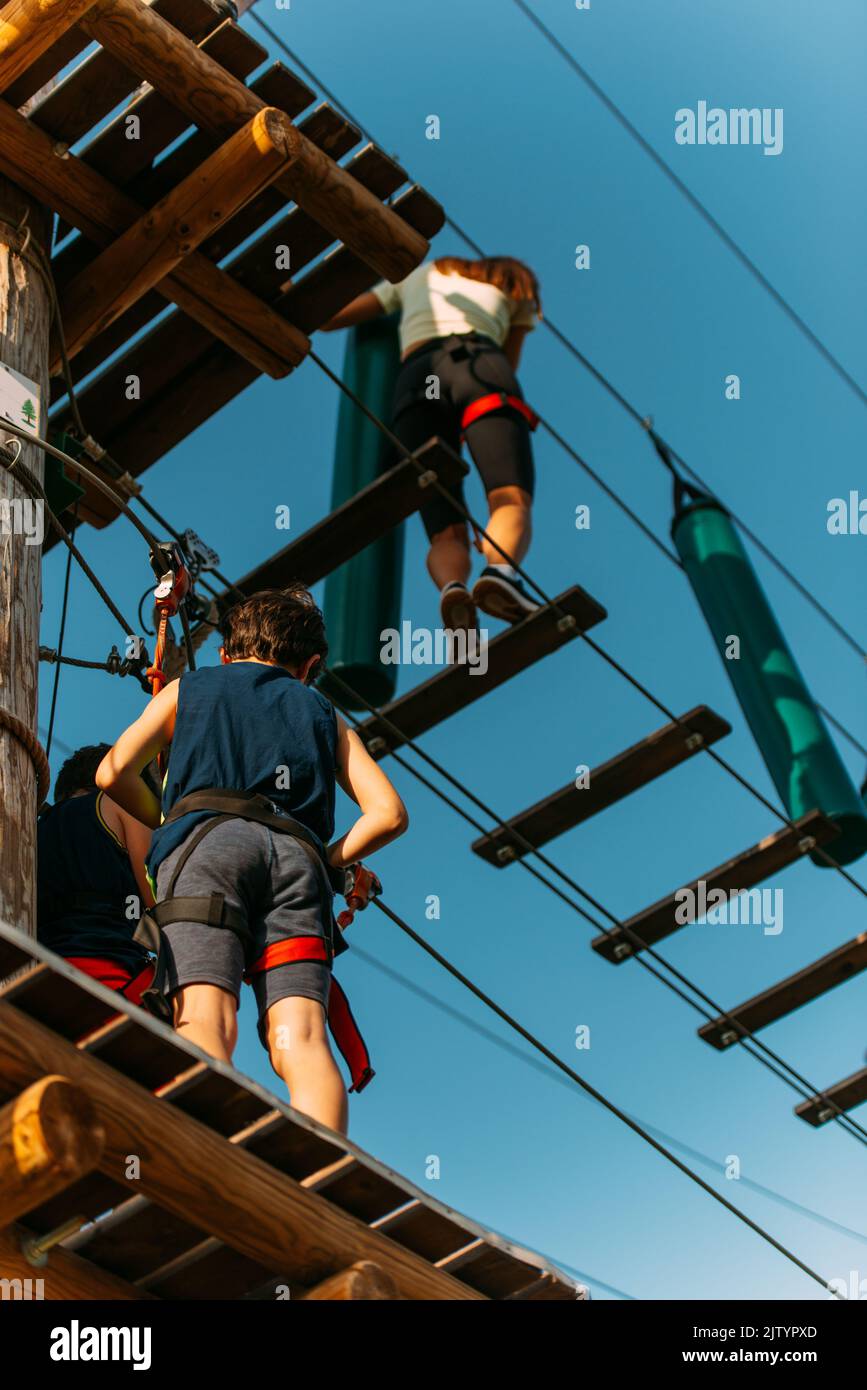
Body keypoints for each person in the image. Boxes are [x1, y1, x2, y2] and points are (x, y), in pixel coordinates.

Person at [96, 585, 408, 1135]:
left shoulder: (190, 688)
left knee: (205, 1012)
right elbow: (388, 814)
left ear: (225, 652)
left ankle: (201, 1150)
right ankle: (321, 1174)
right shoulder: (324, 713)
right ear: (309, 665)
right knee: (303, 1036)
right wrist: (328, 859)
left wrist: (169, 821)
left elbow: (112, 772)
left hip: (206, 844)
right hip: (298, 862)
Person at [322, 255, 542, 634]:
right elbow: (509, 360)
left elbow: (330, 319)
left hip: (415, 384)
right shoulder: (513, 289)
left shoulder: (419, 277)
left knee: (445, 531)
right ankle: (501, 573)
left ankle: (452, 588)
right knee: (509, 499)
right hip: (480, 366)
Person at [37, 744, 156, 1005]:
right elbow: (158, 893)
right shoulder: (120, 803)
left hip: (38, 972)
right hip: (110, 971)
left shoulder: (35, 828)